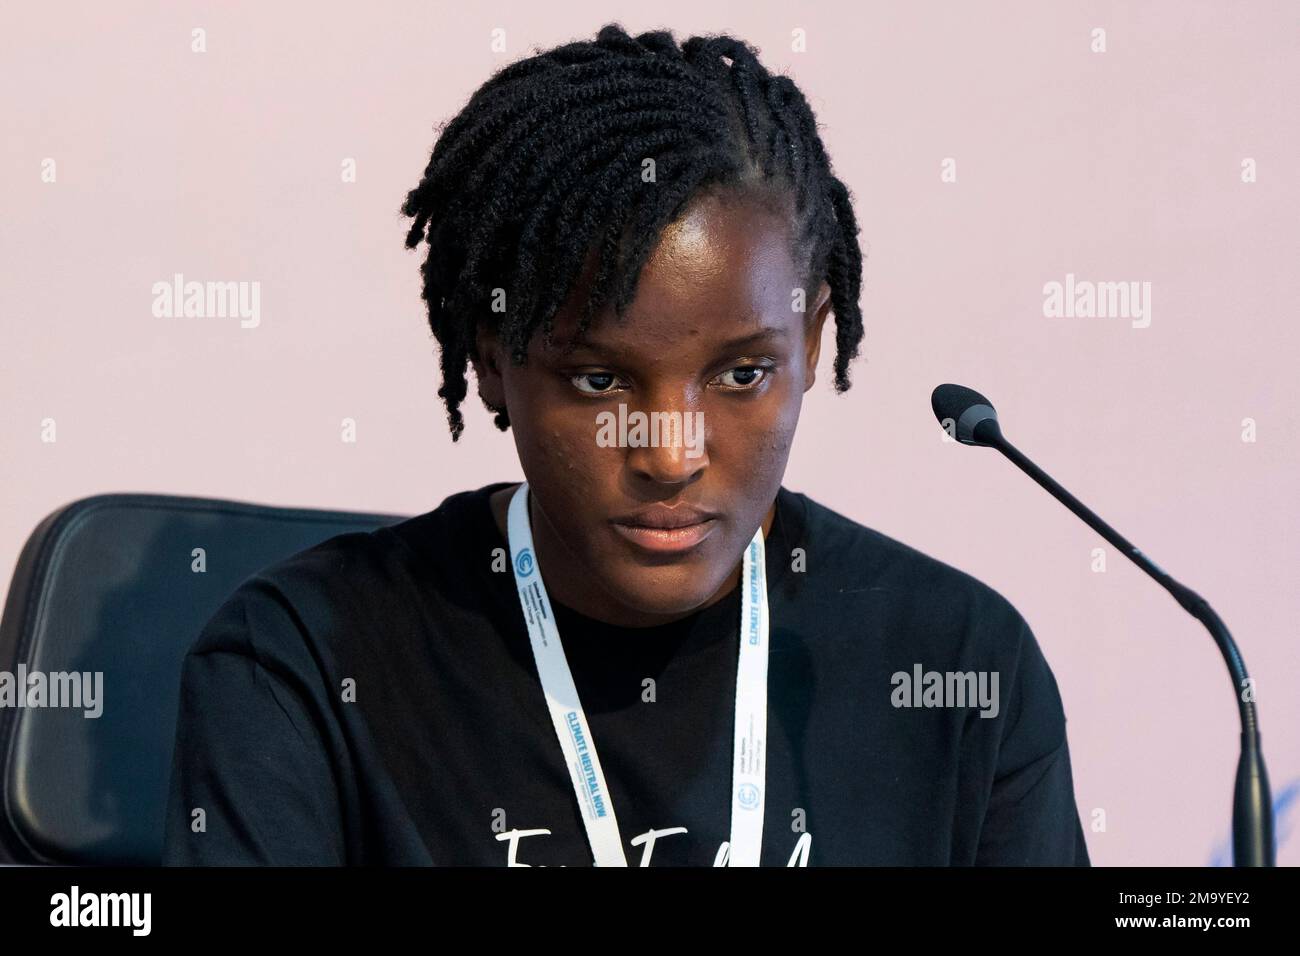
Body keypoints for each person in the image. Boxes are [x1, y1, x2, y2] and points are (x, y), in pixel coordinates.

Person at [161, 23, 1089, 866]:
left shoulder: (963, 668)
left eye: (740, 377)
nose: (670, 453)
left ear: (810, 346)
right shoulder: (302, 664)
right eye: (600, 380)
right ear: (492, 359)